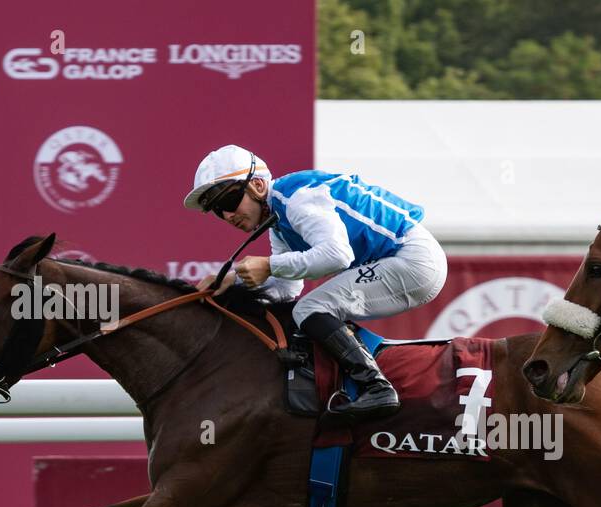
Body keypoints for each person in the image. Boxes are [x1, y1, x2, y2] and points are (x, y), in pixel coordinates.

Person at [183, 145, 448, 422]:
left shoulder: (298, 198)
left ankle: (376, 387)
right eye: (216, 211)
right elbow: (287, 289)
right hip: (404, 260)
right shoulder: (278, 221)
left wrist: (268, 265)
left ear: (258, 186)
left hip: (412, 259)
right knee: (306, 309)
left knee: (311, 309)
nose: (227, 216)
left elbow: (337, 255)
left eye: (229, 201)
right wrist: (233, 282)